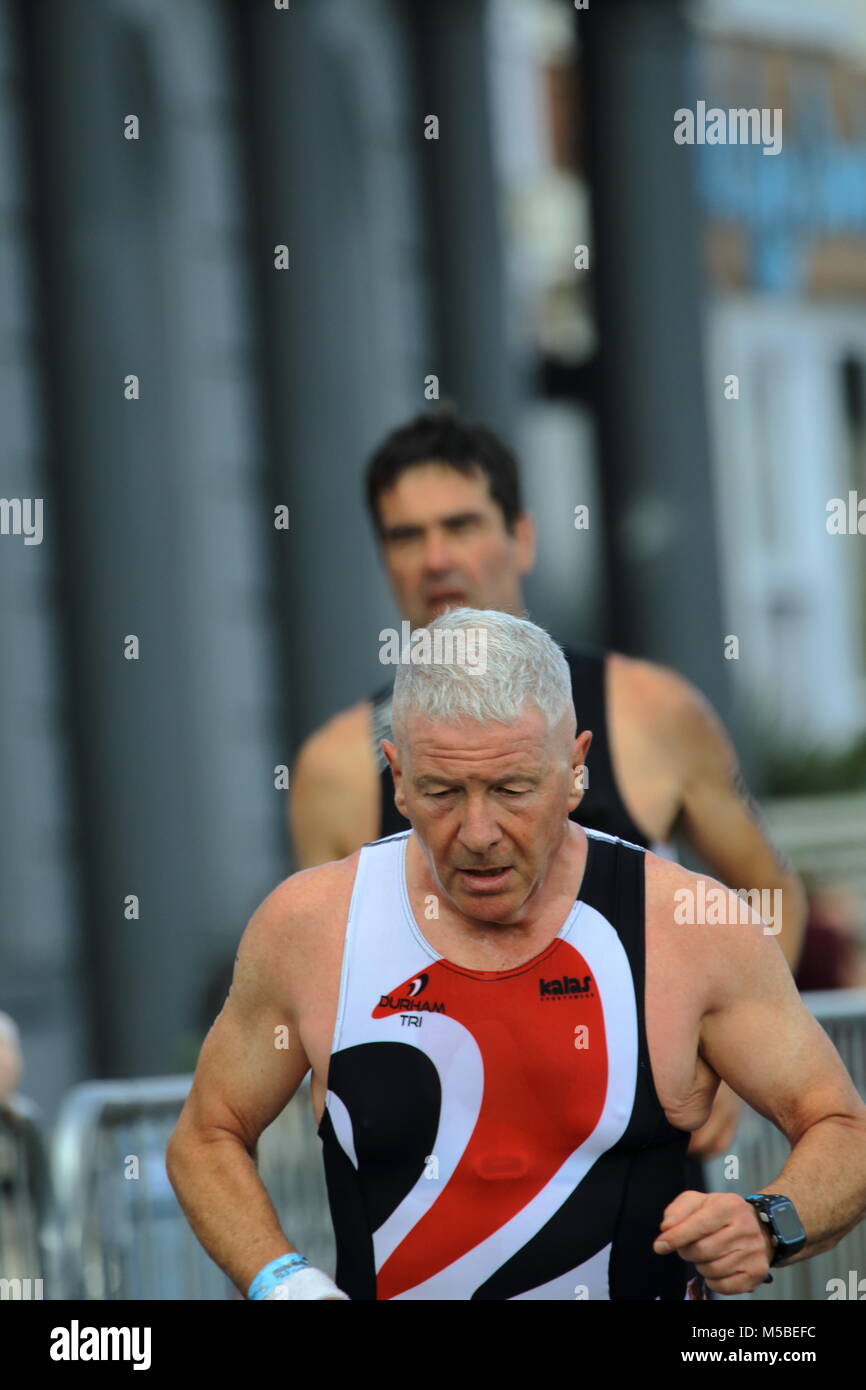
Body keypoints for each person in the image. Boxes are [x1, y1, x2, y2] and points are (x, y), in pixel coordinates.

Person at [167, 609, 866, 1302]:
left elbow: (844, 1131)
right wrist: (284, 1283)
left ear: (575, 770)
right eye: (443, 792)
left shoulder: (686, 926)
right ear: (398, 778)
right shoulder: (312, 927)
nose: (479, 832)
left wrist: (769, 1222)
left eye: (512, 790)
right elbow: (206, 1139)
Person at [289, 411, 806, 1159]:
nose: (436, 559)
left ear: (522, 537)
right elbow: (319, 979)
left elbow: (772, 890)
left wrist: (727, 1052)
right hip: (444, 1181)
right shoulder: (337, 766)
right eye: (406, 537)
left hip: (640, 1173)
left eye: (462, 525)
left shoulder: (650, 710)